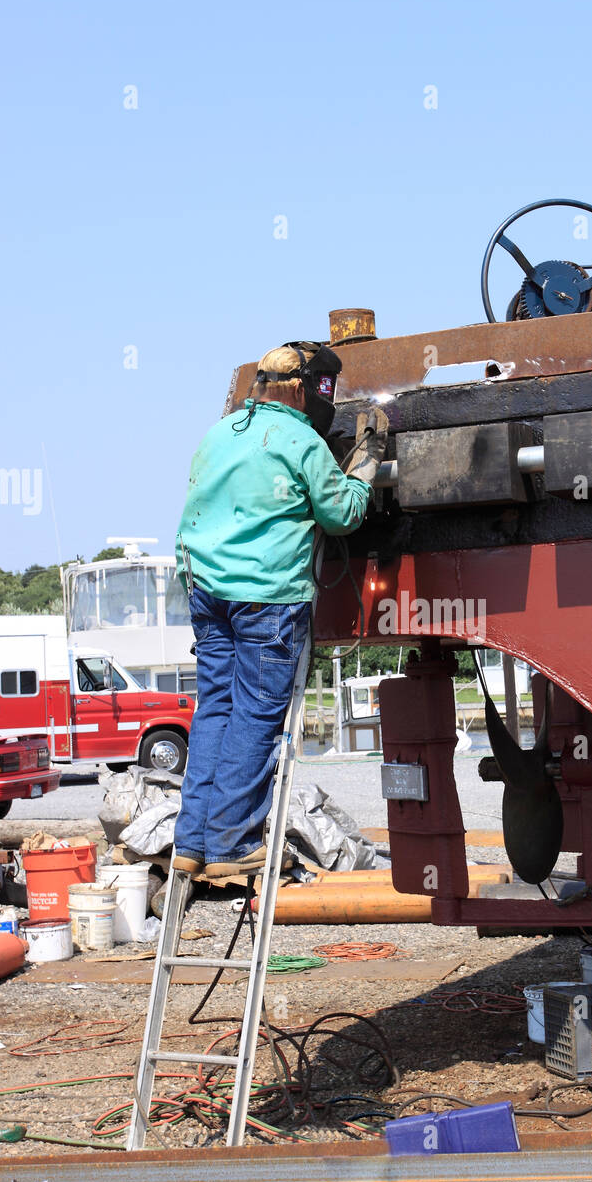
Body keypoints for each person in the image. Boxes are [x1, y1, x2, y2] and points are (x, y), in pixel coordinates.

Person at [172, 340, 387, 879]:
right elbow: (341, 515)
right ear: (305, 389)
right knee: (255, 715)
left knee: (215, 710)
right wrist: (365, 463)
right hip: (266, 598)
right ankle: (230, 843)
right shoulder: (301, 440)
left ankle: (191, 842)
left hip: (206, 591)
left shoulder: (217, 435)